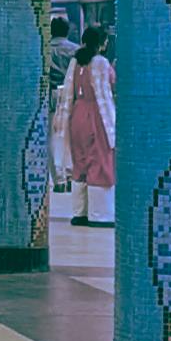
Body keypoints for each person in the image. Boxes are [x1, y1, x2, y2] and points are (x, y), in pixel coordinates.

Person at [59, 25, 117, 224]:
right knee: (100, 160)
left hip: (77, 114)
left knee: (80, 161)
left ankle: (80, 212)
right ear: (101, 42)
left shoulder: (76, 62)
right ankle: (100, 214)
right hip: (96, 115)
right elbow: (110, 85)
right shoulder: (100, 62)